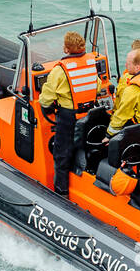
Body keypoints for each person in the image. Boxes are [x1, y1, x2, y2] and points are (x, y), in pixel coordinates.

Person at [39, 31, 105, 196]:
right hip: (90, 115)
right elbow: (97, 86)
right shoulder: (91, 64)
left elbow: (46, 99)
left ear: (66, 49)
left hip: (68, 118)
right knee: (86, 146)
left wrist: (47, 106)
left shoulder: (59, 71)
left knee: (61, 155)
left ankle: (61, 192)